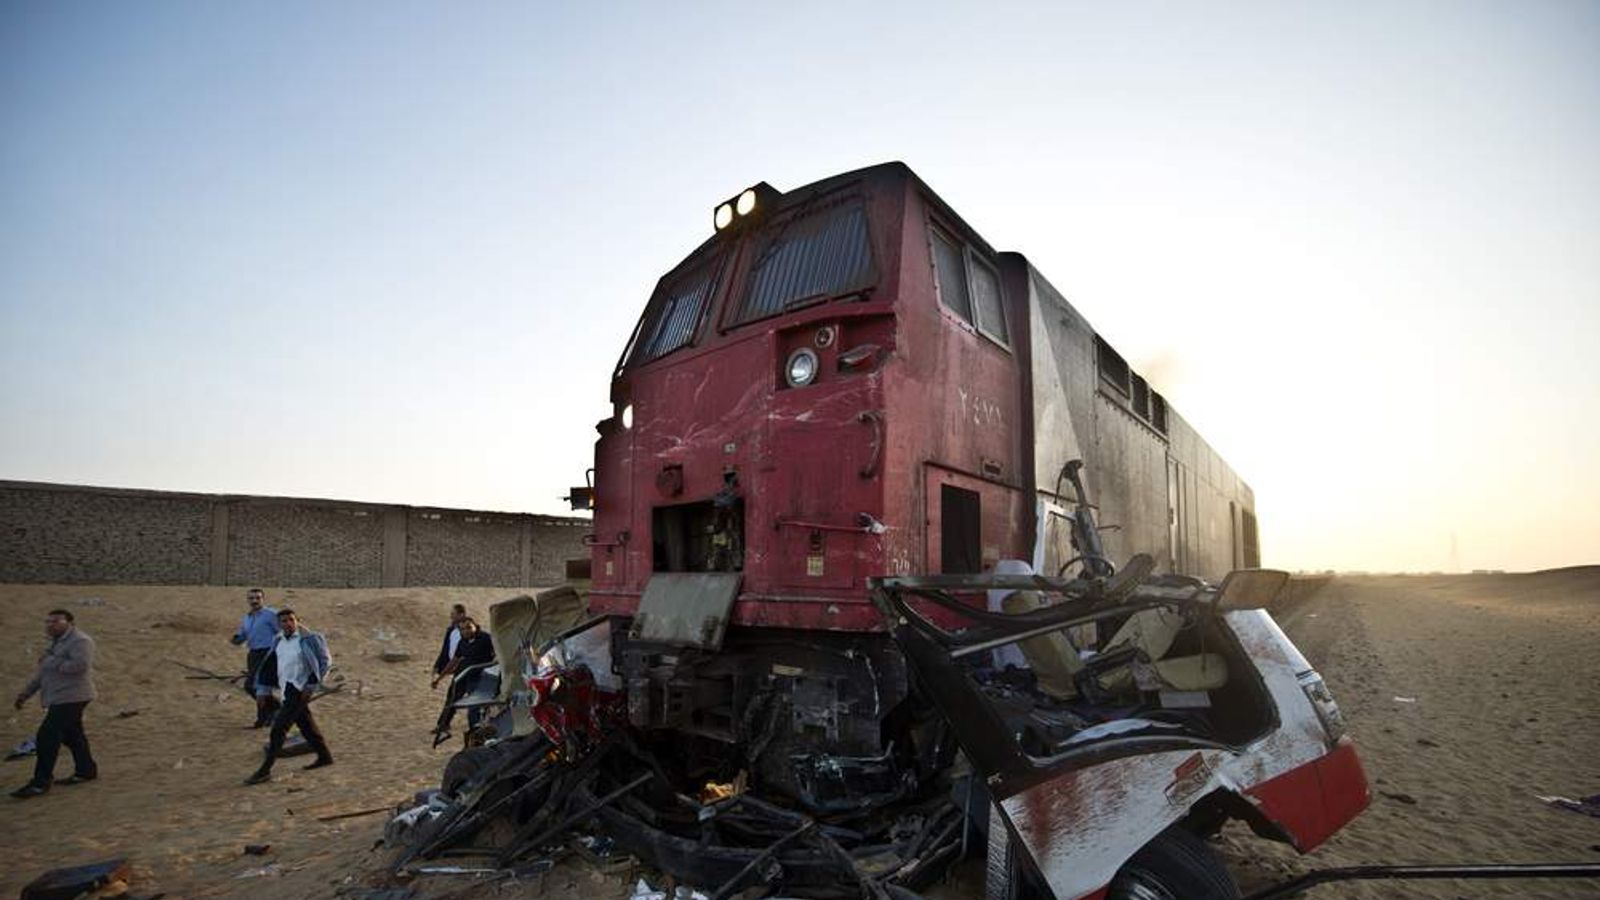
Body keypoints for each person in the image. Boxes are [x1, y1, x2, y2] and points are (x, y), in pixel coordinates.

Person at [11, 609, 98, 798]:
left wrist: (51, 660)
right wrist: (25, 694)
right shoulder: (56, 643)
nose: (50, 625)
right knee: (72, 735)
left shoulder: (80, 641)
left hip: (73, 696)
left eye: (56, 621)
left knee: (47, 736)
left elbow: (80, 666)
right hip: (57, 696)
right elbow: (44, 673)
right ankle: (86, 770)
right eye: (48, 622)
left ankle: (40, 782)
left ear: (69, 622)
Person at [245, 609, 333, 785]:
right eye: (283, 621)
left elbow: (325, 662)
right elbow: (269, 666)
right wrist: (263, 690)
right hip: (287, 688)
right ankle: (325, 757)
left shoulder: (310, 639)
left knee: (279, 729)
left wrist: (311, 685)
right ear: (279, 624)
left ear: (297, 621)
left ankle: (265, 770)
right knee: (306, 725)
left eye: (291, 620)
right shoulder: (278, 641)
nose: (288, 623)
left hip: (300, 690)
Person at [431, 617, 497, 743]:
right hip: (461, 674)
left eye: (468, 627)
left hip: (478, 676)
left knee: (474, 704)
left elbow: (497, 654)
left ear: (475, 626)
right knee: (451, 699)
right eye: (462, 629)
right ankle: (443, 725)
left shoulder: (486, 638)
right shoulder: (462, 642)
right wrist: (439, 678)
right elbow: (454, 661)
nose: (465, 631)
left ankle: (475, 731)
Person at [230, 588, 281, 728]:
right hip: (253, 653)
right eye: (251, 598)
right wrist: (237, 639)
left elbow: (282, 631)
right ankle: (272, 712)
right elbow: (243, 635)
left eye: (258, 598)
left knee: (256, 685)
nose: (254, 601)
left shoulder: (271, 614)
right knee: (256, 687)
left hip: (268, 653)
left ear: (263, 599)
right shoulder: (247, 618)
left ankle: (265, 716)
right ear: (248, 600)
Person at [432, 603, 467, 682]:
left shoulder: (468, 632)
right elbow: (445, 649)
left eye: (453, 614)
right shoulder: (451, 630)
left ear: (461, 615)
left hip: (463, 668)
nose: (451, 617)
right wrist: (437, 665)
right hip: (452, 667)